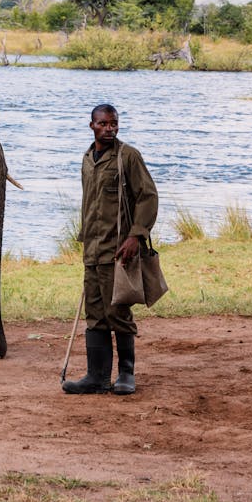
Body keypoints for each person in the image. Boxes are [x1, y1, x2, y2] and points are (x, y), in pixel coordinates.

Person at [62, 103, 158, 396]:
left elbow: (148, 196)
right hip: (92, 249)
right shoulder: (88, 158)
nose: (109, 128)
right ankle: (97, 377)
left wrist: (136, 236)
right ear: (91, 125)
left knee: (118, 311)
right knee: (95, 313)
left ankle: (126, 374)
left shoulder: (128, 156)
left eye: (113, 123)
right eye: (103, 124)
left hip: (119, 250)